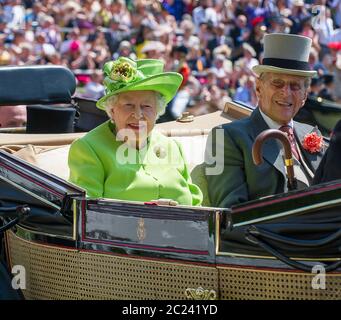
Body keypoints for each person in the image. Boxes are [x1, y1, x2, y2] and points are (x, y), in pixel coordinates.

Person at [204, 33, 325, 208]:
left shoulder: (311, 133)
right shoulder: (224, 138)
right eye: (277, 83)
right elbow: (229, 214)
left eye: (295, 86)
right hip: (270, 234)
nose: (286, 92)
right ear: (258, 88)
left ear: (305, 95)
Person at [68, 57, 202, 206]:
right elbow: (88, 214)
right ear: (112, 110)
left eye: (146, 106)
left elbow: (196, 204)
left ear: (157, 110)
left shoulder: (173, 147)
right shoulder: (89, 149)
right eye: (128, 105)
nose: (138, 114)